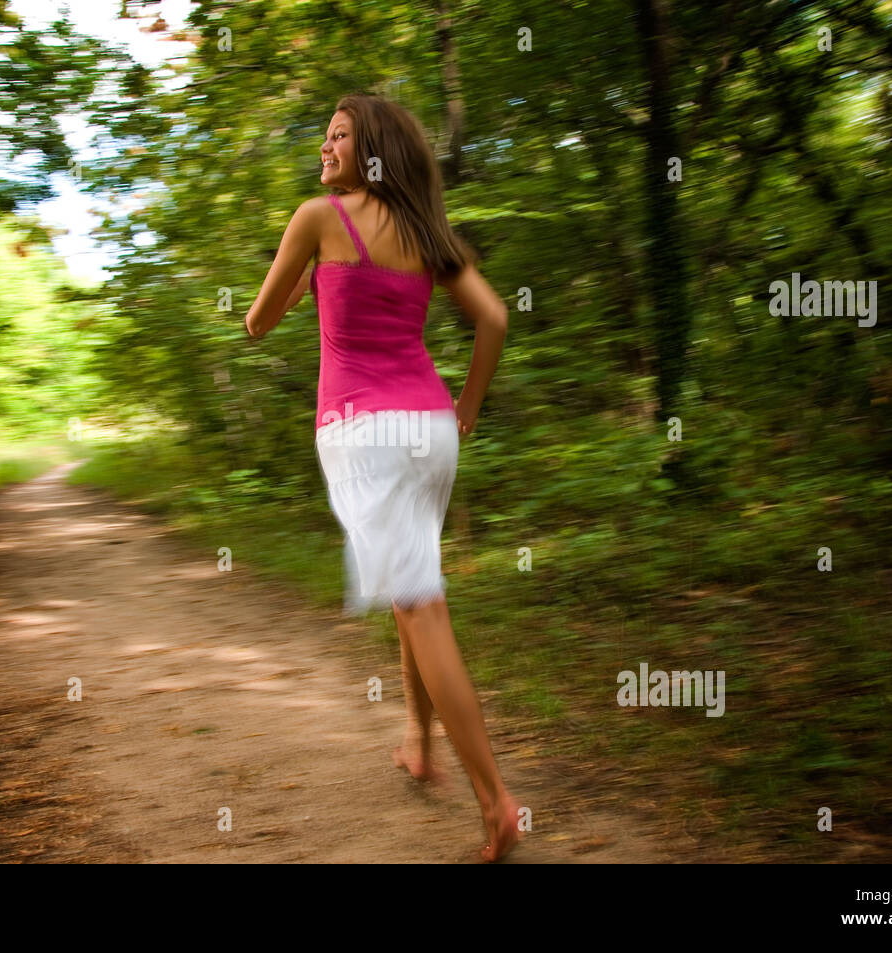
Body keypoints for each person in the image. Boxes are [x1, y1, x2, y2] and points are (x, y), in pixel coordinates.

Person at [244, 92, 519, 862]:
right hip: (432, 430)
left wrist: (302, 285)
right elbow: (493, 318)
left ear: (369, 151)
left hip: (364, 432)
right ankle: (416, 740)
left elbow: (256, 322)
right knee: (412, 587)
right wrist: (466, 404)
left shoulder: (318, 218)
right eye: (326, 135)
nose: (325, 145)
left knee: (421, 604)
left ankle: (497, 802)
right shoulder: (427, 230)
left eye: (339, 136)